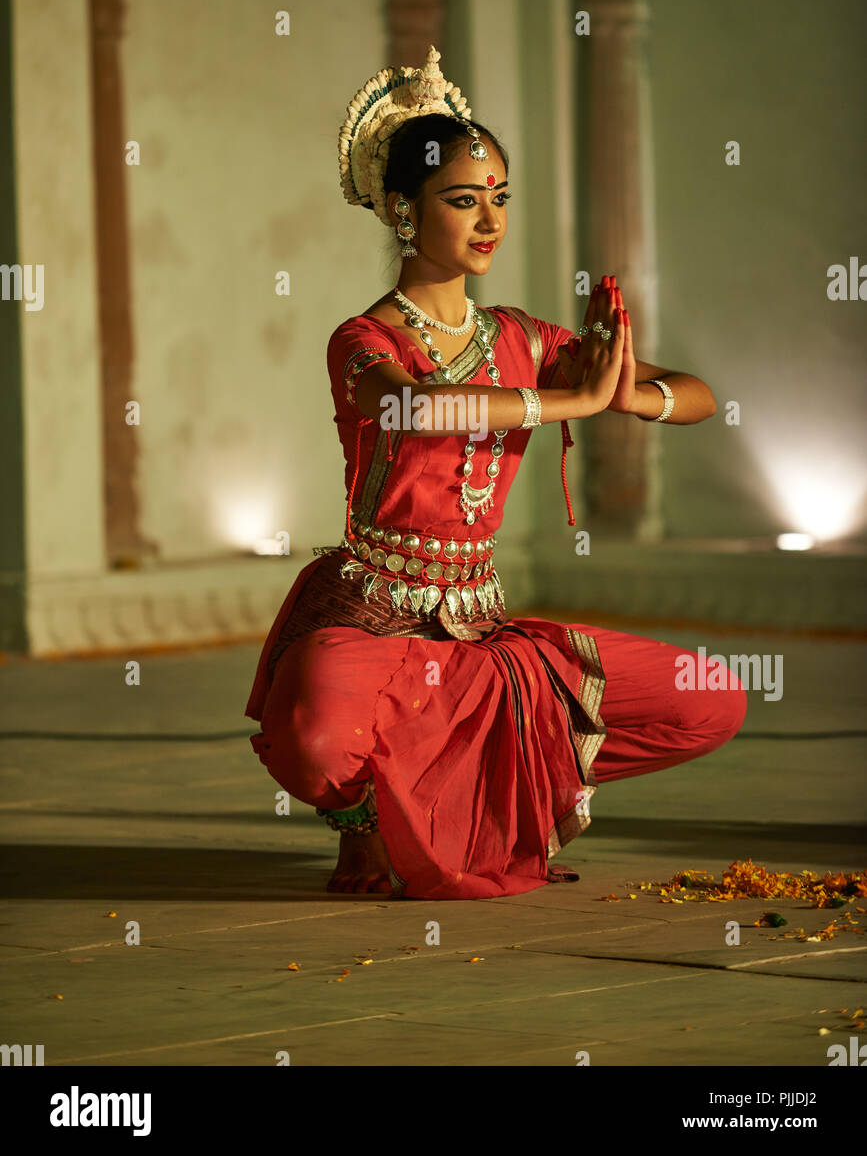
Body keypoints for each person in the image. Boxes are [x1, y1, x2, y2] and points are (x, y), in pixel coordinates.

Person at [244, 47, 746, 900]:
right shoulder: (364, 343)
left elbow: (697, 396)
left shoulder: (522, 337)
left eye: (499, 200)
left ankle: (494, 782)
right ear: (403, 211)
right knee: (316, 739)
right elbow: (416, 409)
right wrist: (570, 405)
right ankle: (362, 820)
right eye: (463, 200)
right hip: (373, 615)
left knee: (712, 699)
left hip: (476, 633)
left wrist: (629, 392)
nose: (489, 222)